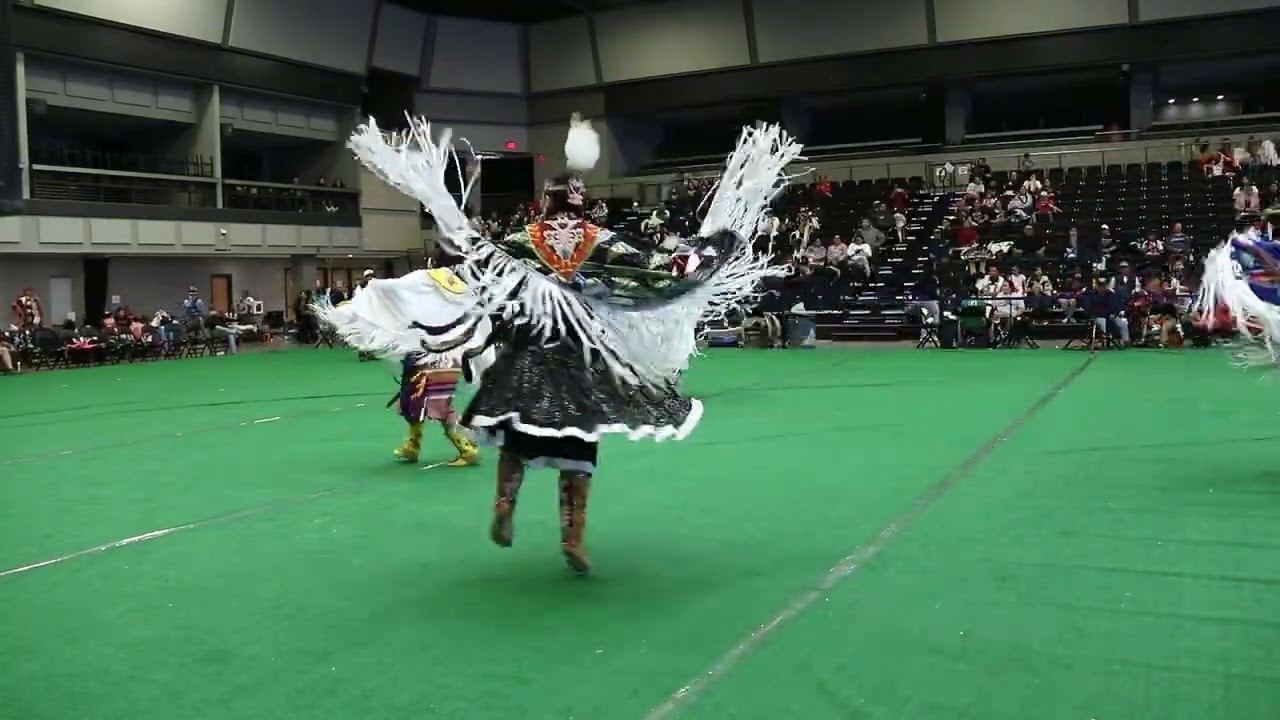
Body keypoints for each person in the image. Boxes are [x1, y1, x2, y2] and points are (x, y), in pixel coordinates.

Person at [327, 113, 798, 575]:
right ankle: (572, 538)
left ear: (545, 204)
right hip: (579, 358)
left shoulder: (522, 239)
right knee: (579, 451)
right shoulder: (598, 238)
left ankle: (505, 504)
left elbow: (475, 262)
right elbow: (654, 267)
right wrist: (711, 251)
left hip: (529, 354)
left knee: (516, 440)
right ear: (578, 204)